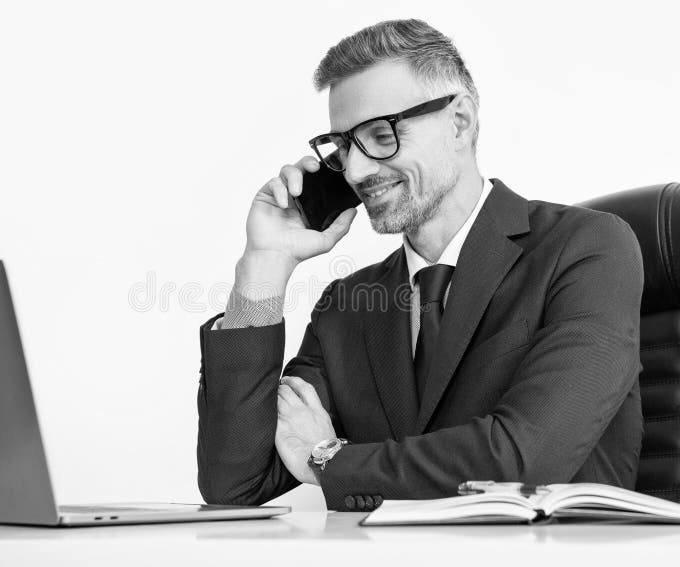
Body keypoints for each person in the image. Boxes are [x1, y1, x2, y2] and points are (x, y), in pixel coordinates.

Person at [196, 18, 644, 512]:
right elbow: (236, 483)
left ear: (460, 122)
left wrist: (329, 458)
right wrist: (264, 265)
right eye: (344, 146)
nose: (358, 170)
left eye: (381, 134)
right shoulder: (349, 304)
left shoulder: (586, 249)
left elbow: (523, 459)